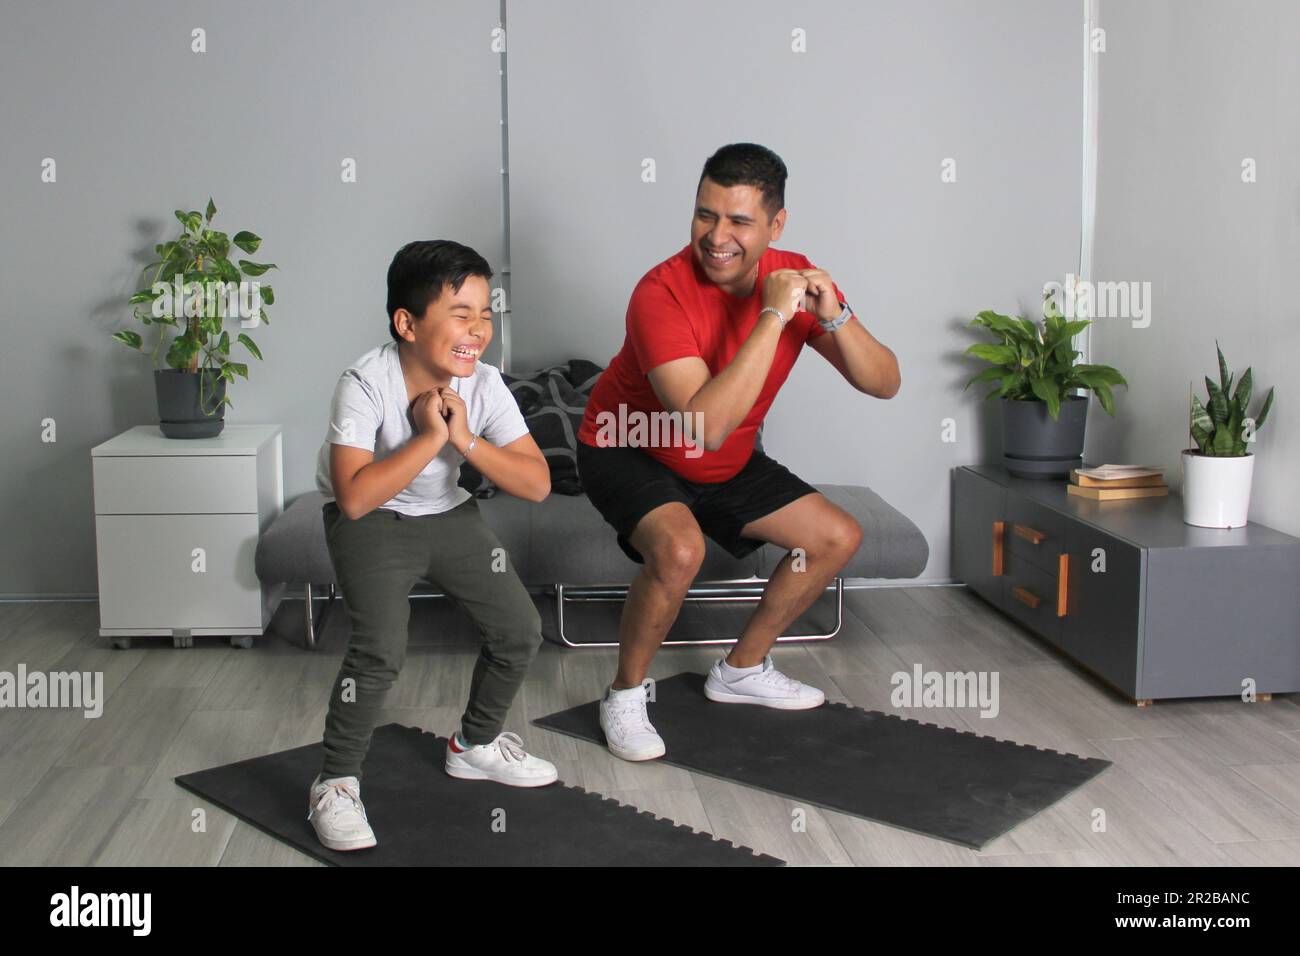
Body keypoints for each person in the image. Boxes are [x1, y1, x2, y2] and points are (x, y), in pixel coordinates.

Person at [576, 143, 901, 761]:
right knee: (679, 549)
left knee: (835, 538)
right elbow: (702, 425)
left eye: (739, 221)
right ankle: (623, 693)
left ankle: (742, 670)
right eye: (705, 215)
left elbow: (884, 382)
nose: (716, 237)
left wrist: (834, 315)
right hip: (629, 445)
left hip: (722, 458)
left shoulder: (796, 276)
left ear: (776, 226)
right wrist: (774, 318)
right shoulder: (659, 294)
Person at [308, 239, 557, 851]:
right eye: (460, 314)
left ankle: (474, 746)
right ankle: (334, 783)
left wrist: (466, 439)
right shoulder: (364, 382)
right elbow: (355, 498)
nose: (478, 330)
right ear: (407, 323)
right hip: (370, 521)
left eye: (485, 314)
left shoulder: (486, 384)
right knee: (380, 651)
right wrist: (429, 436)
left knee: (519, 630)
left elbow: (536, 483)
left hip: (448, 514)